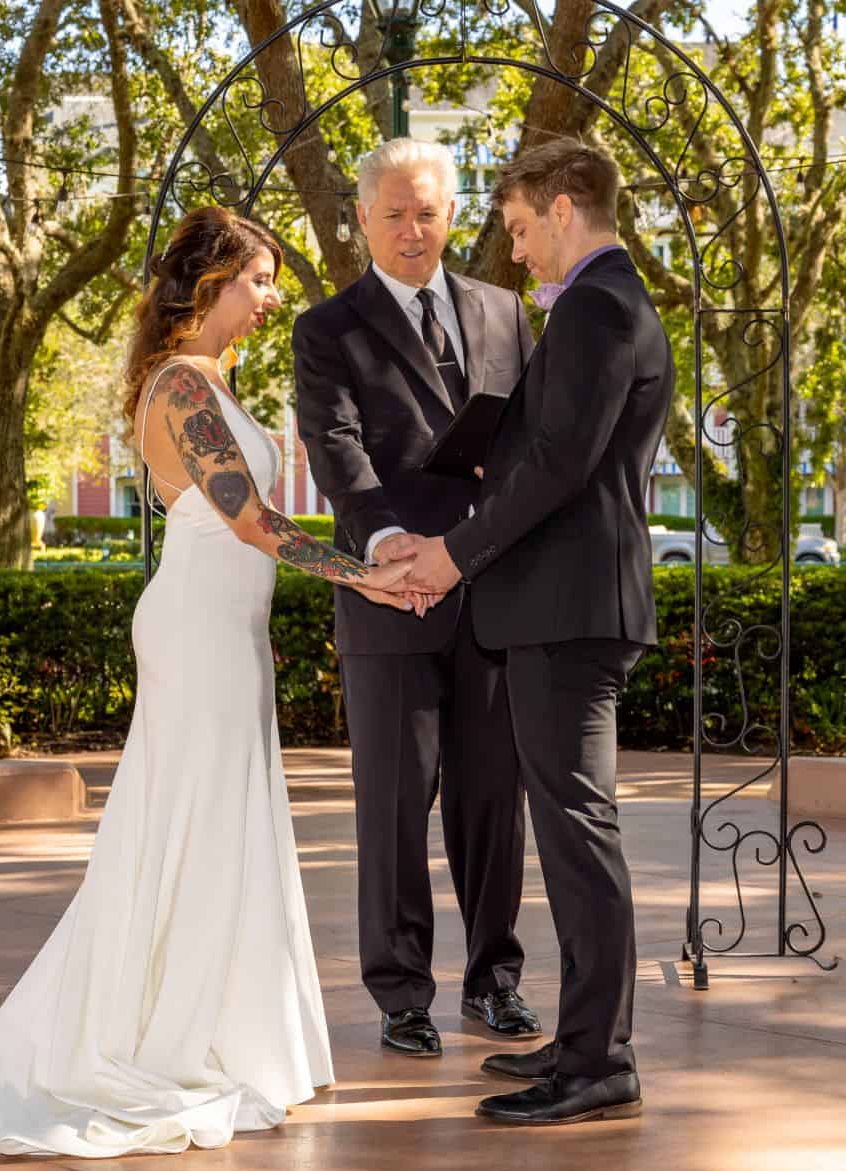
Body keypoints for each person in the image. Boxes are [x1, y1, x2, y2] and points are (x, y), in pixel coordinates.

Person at [0, 206, 415, 1159]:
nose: (271, 297)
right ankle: (169, 1037)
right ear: (210, 282)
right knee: (193, 824)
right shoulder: (178, 385)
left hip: (226, 630)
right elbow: (246, 516)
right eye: (258, 279)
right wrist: (363, 574)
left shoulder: (208, 380)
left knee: (220, 824)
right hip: (196, 628)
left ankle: (220, 1028)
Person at [401, 137, 675, 1126]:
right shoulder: (607, 304)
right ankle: (587, 1038)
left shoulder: (598, 306)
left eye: (519, 228)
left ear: (564, 208)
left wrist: (454, 553)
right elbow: (560, 452)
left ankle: (600, 1062)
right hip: (568, 604)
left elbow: (561, 463)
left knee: (577, 832)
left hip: (569, 609)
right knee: (571, 831)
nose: (514, 252)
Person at [293, 138, 541, 1059]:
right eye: (393, 214)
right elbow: (335, 446)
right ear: (361, 218)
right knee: (393, 807)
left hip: (493, 592)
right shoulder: (327, 329)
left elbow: (533, 441)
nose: (411, 230)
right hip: (388, 595)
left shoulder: (506, 311)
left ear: (452, 214)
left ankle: (495, 982)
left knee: (493, 805)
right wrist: (387, 543)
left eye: (427, 212)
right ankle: (400, 995)